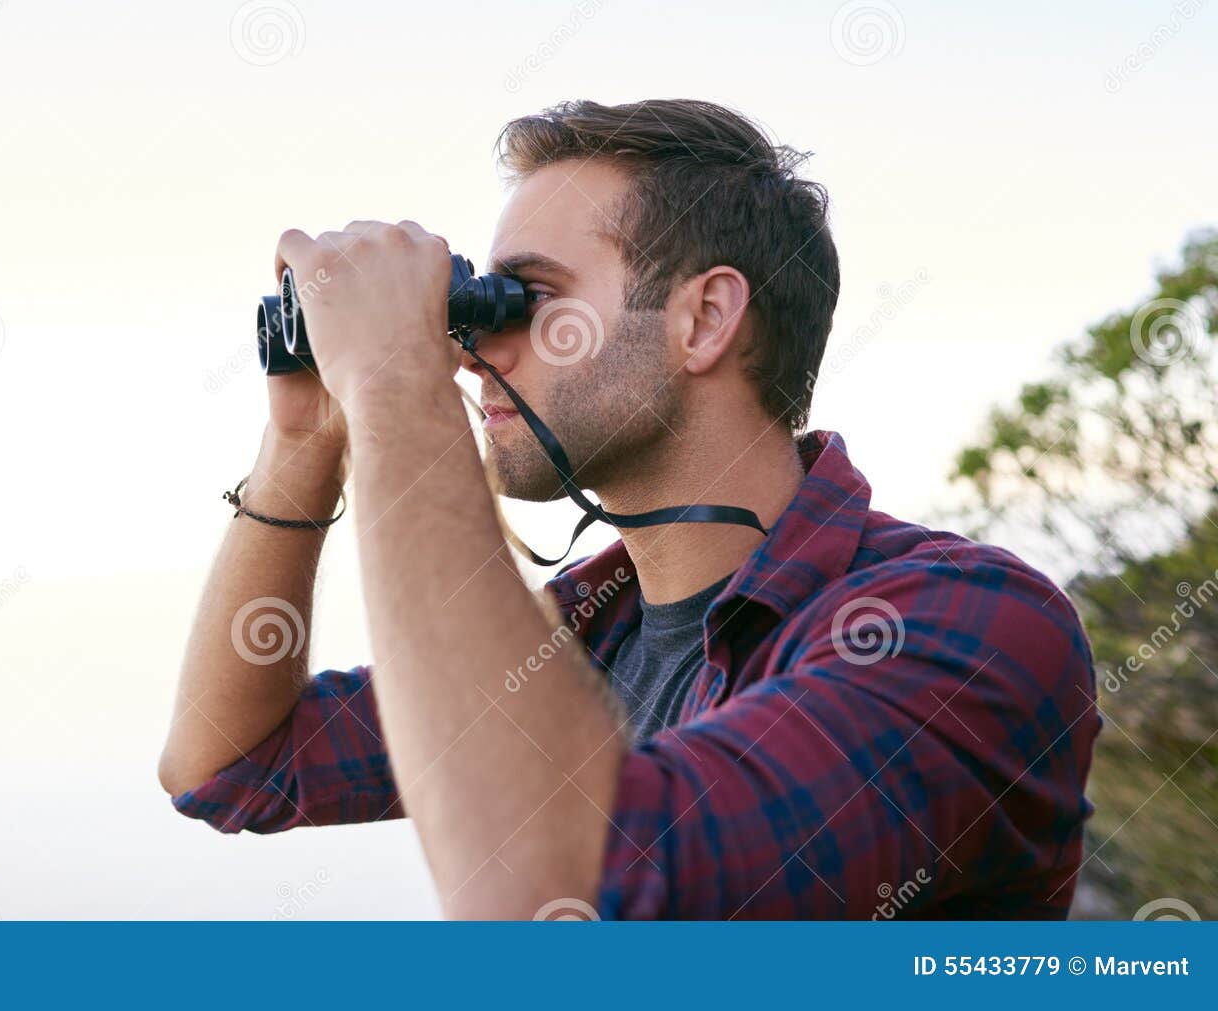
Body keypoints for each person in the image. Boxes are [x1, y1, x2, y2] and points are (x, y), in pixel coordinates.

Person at [158, 98, 1100, 920]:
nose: (475, 345)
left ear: (703, 320)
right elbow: (225, 764)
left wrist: (397, 379)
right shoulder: (580, 634)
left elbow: (564, 898)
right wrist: (306, 436)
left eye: (523, 297)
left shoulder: (968, 626)